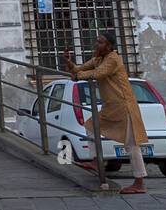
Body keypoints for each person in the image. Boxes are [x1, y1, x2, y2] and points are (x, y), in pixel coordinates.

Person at [61, 31, 149, 195]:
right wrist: (69, 63)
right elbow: (80, 70)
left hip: (124, 106)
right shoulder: (99, 59)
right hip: (111, 107)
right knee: (90, 125)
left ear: (109, 46)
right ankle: (95, 161)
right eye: (96, 41)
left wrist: (78, 76)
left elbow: (98, 74)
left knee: (132, 145)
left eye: (100, 42)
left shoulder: (113, 59)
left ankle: (139, 182)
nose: (96, 44)